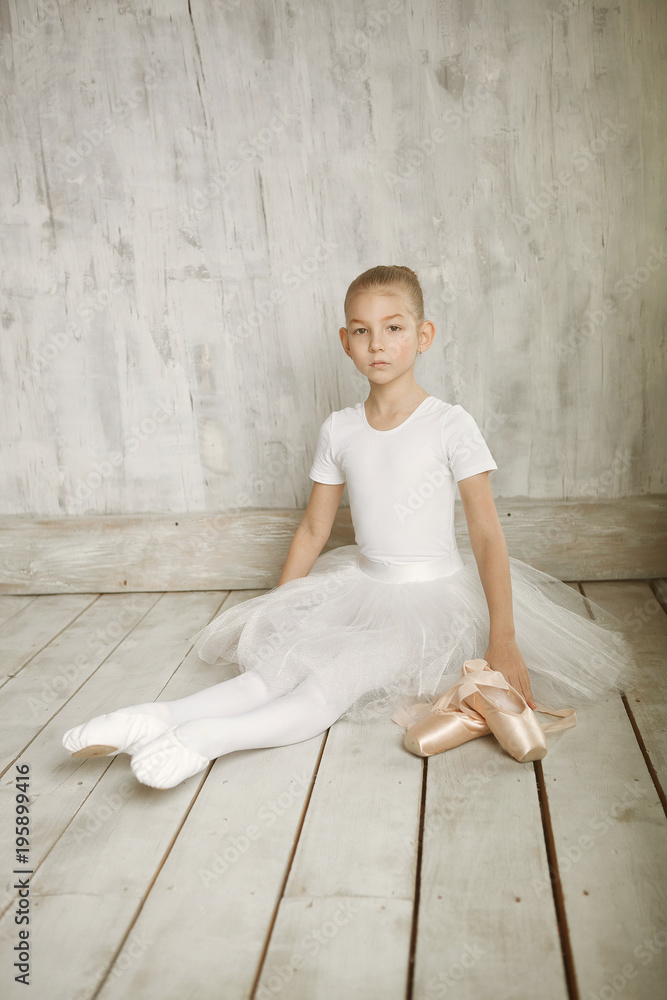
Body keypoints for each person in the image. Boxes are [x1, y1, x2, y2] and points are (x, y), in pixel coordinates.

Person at [62, 265, 634, 788]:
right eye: (361, 331)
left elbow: (487, 535)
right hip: (356, 588)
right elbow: (314, 531)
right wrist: (276, 611)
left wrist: (503, 638)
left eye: (393, 328)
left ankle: (204, 740)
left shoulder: (450, 425)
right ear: (345, 342)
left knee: (323, 687)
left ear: (423, 335)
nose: (377, 344)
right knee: (271, 671)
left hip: (429, 602)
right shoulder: (340, 429)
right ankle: (153, 716)